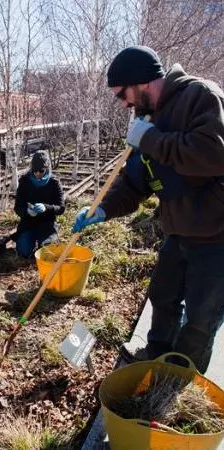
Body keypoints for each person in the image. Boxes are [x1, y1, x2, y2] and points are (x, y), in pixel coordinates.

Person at [72, 45, 224, 373]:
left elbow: (212, 155)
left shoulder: (199, 96)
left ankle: (178, 379)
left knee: (201, 317)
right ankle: (154, 354)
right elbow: (134, 182)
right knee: (163, 295)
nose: (123, 103)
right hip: (178, 228)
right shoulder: (146, 119)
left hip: (216, 233)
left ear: (141, 82)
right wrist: (101, 210)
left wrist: (151, 139)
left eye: (122, 94)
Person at [14, 150, 65, 257]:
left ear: (47, 169)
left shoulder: (54, 182)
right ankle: (28, 241)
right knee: (23, 251)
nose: (37, 174)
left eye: (41, 171)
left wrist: (46, 208)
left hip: (47, 224)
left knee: (47, 251)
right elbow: (17, 207)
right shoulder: (24, 181)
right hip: (28, 223)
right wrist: (26, 211)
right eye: (35, 171)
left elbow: (61, 208)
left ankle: (46, 240)